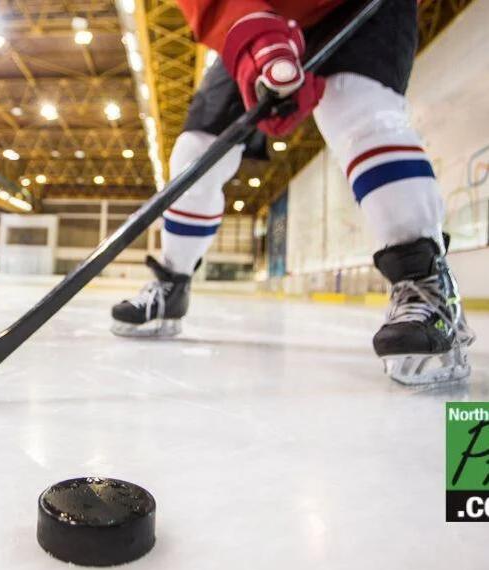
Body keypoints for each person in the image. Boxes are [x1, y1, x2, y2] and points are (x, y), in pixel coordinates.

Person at [110, 0, 475, 385]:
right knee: (196, 150)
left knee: (358, 106)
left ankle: (426, 283)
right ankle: (172, 284)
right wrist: (256, 39)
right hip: (259, 11)